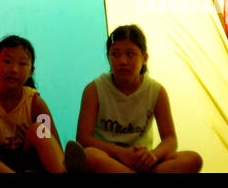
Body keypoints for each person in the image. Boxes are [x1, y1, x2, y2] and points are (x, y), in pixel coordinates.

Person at [71, 25, 202, 173]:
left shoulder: (156, 91)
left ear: (144, 58)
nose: (122, 61)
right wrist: (119, 152)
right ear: (108, 57)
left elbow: (170, 139)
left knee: (193, 159)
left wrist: (153, 155)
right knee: (89, 156)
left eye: (130, 54)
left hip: (143, 162)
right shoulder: (94, 89)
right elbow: (83, 138)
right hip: (110, 160)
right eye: (115, 54)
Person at [0, 35, 79, 173]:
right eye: (7, 61)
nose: (14, 69)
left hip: (26, 160)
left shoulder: (35, 102)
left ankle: (63, 170)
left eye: (22, 64)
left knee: (39, 130)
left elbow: (52, 142)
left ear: (31, 71)